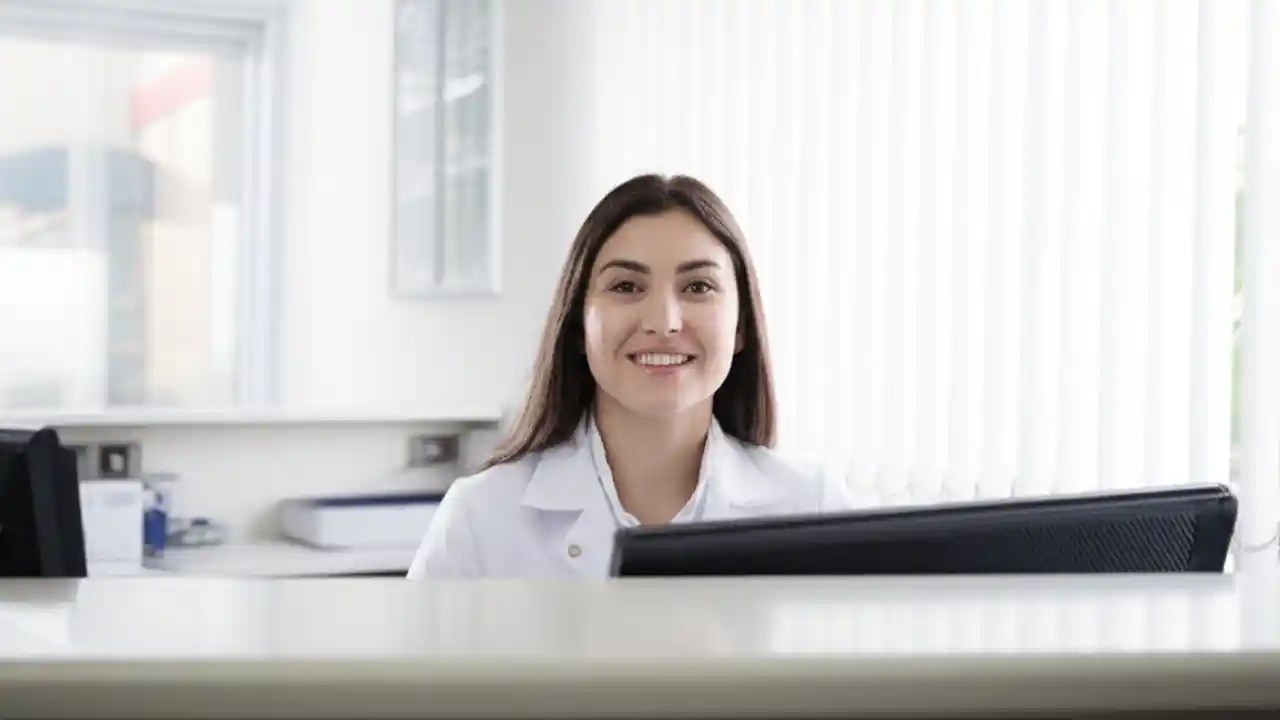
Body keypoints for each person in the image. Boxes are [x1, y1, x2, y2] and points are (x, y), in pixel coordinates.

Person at [407, 174, 853, 578]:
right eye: (626, 287)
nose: (664, 322)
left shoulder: (815, 508)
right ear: (578, 325)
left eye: (697, 287)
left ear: (740, 327)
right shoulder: (480, 519)